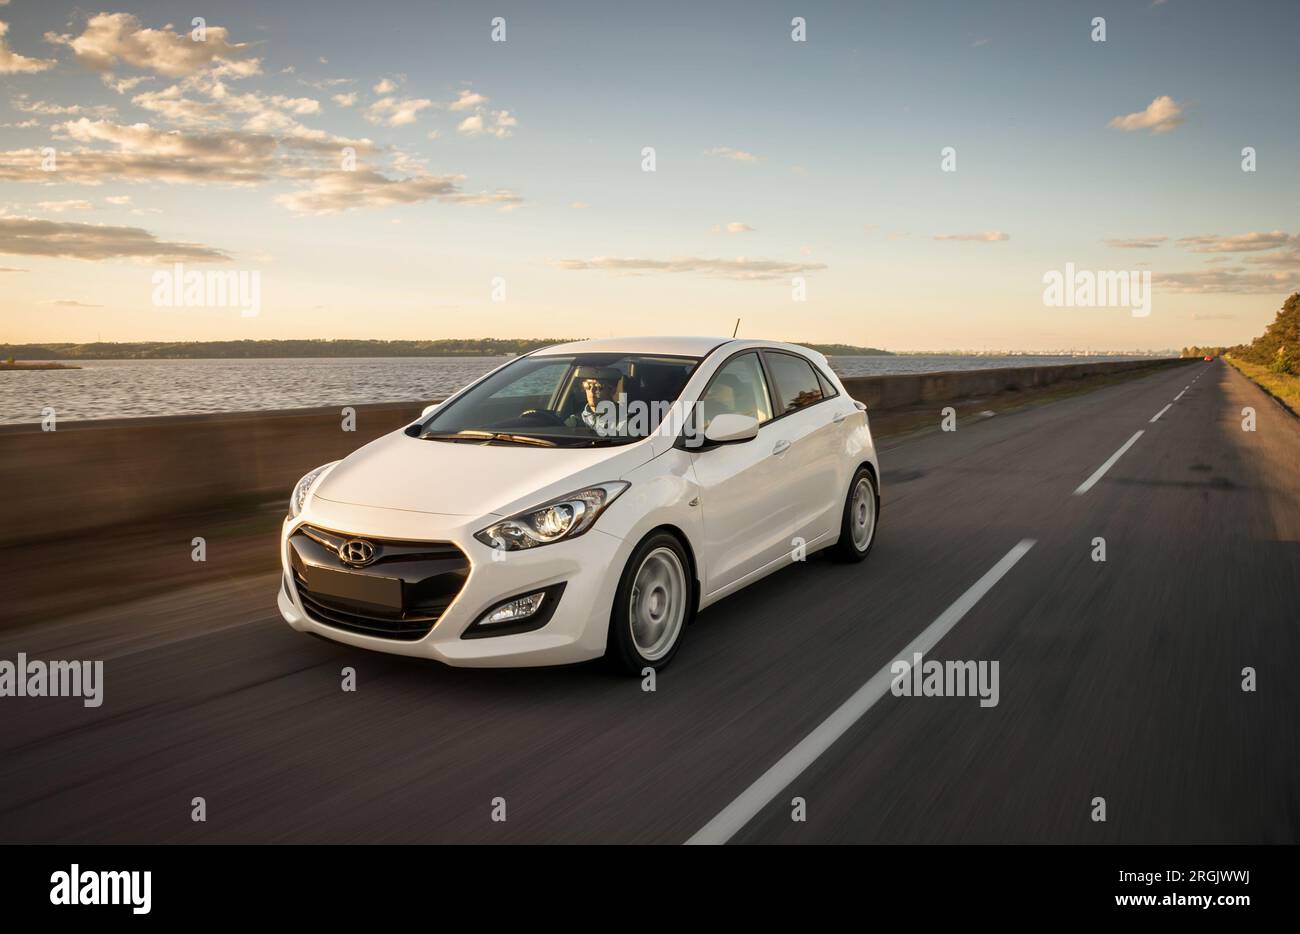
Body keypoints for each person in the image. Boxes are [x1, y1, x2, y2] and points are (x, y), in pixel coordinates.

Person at [566, 366, 627, 435]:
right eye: (587, 385)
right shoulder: (574, 421)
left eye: (598, 386)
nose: (592, 390)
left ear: (612, 390)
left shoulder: (624, 423)